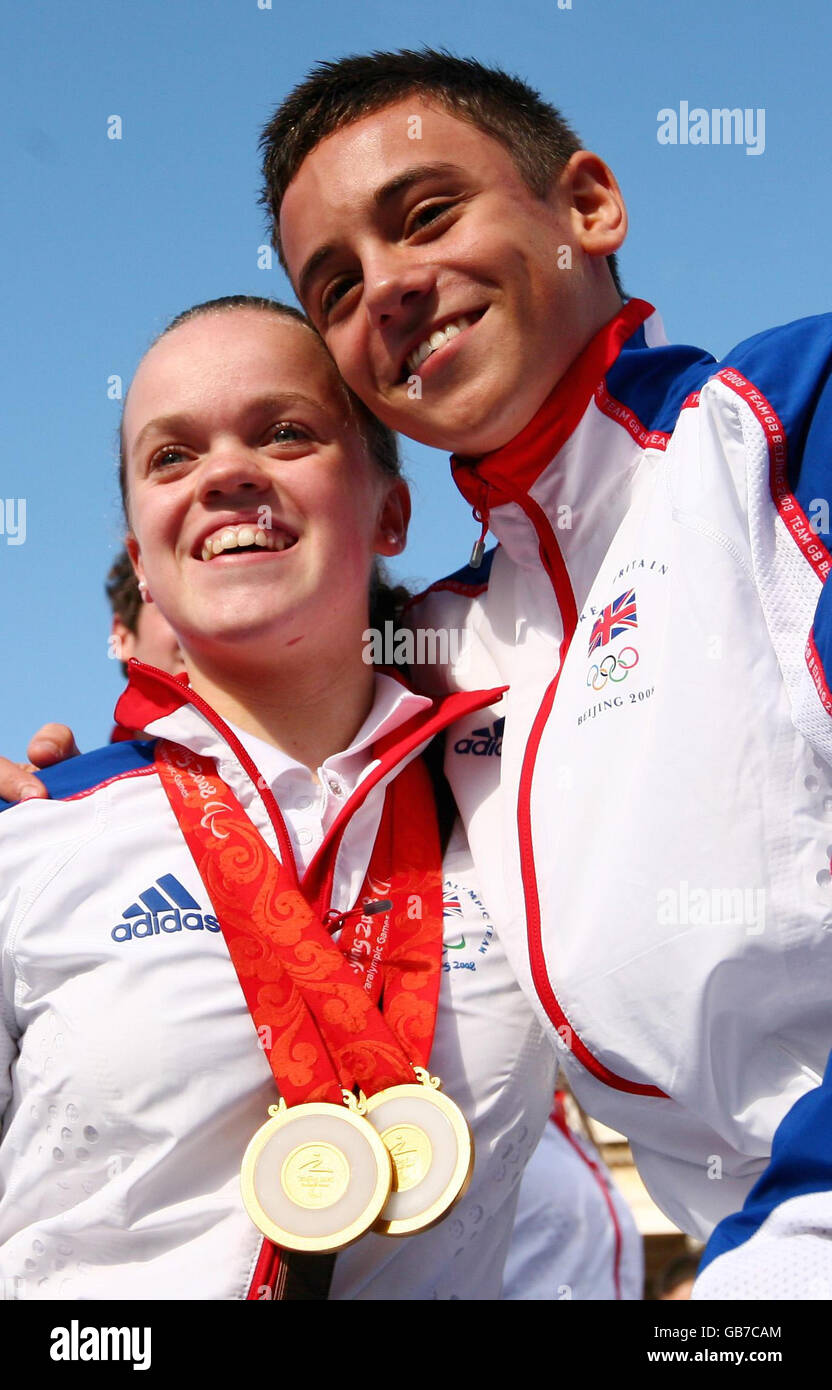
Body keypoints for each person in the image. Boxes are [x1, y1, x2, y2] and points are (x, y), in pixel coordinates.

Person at [5, 50, 832, 1282]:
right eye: (334, 282)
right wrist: (83, 781)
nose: (388, 285)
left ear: (587, 207)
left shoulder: (784, 429)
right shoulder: (457, 661)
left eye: (426, 214)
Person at [0, 295, 557, 1300]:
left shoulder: (514, 808)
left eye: (285, 431)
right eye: (170, 457)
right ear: (143, 559)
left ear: (391, 509)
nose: (223, 473)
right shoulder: (32, 837)